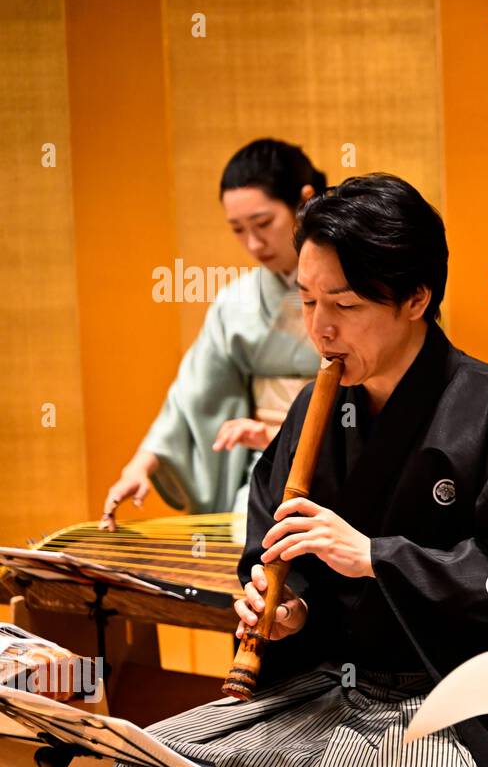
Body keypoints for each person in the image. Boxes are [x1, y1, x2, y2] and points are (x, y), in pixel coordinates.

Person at [77, 173, 488, 767]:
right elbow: (274, 540)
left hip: (463, 705)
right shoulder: (317, 407)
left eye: (342, 305)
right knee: (160, 766)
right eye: (309, 300)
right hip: (329, 687)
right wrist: (288, 609)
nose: (319, 329)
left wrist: (378, 556)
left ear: (415, 298)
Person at [100, 138, 325, 528]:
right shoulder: (235, 303)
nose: (253, 244)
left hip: (344, 464)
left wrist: (281, 430)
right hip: (268, 465)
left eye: (263, 223)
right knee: (245, 538)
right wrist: (142, 463)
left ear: (304, 201)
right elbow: (193, 398)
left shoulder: (359, 292)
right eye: (238, 229)